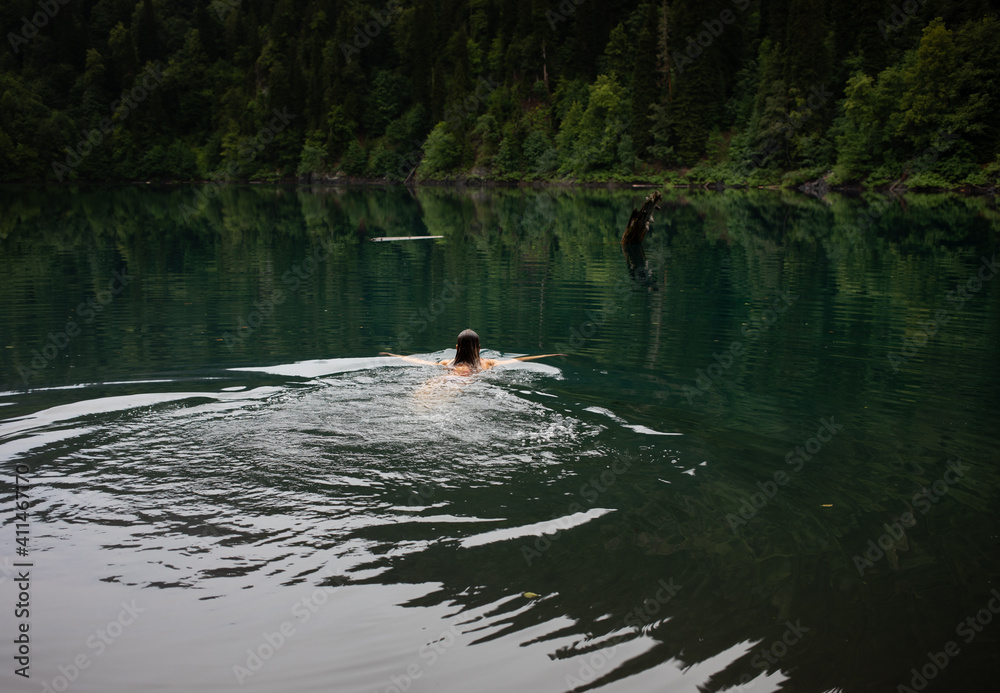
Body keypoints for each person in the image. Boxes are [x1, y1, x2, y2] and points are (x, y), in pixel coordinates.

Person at [381, 329, 564, 374]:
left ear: (457, 348)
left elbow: (421, 362)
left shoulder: (447, 363)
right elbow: (519, 360)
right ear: (478, 348)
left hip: (450, 377)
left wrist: (395, 356)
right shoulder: (487, 363)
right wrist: (549, 355)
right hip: (471, 380)